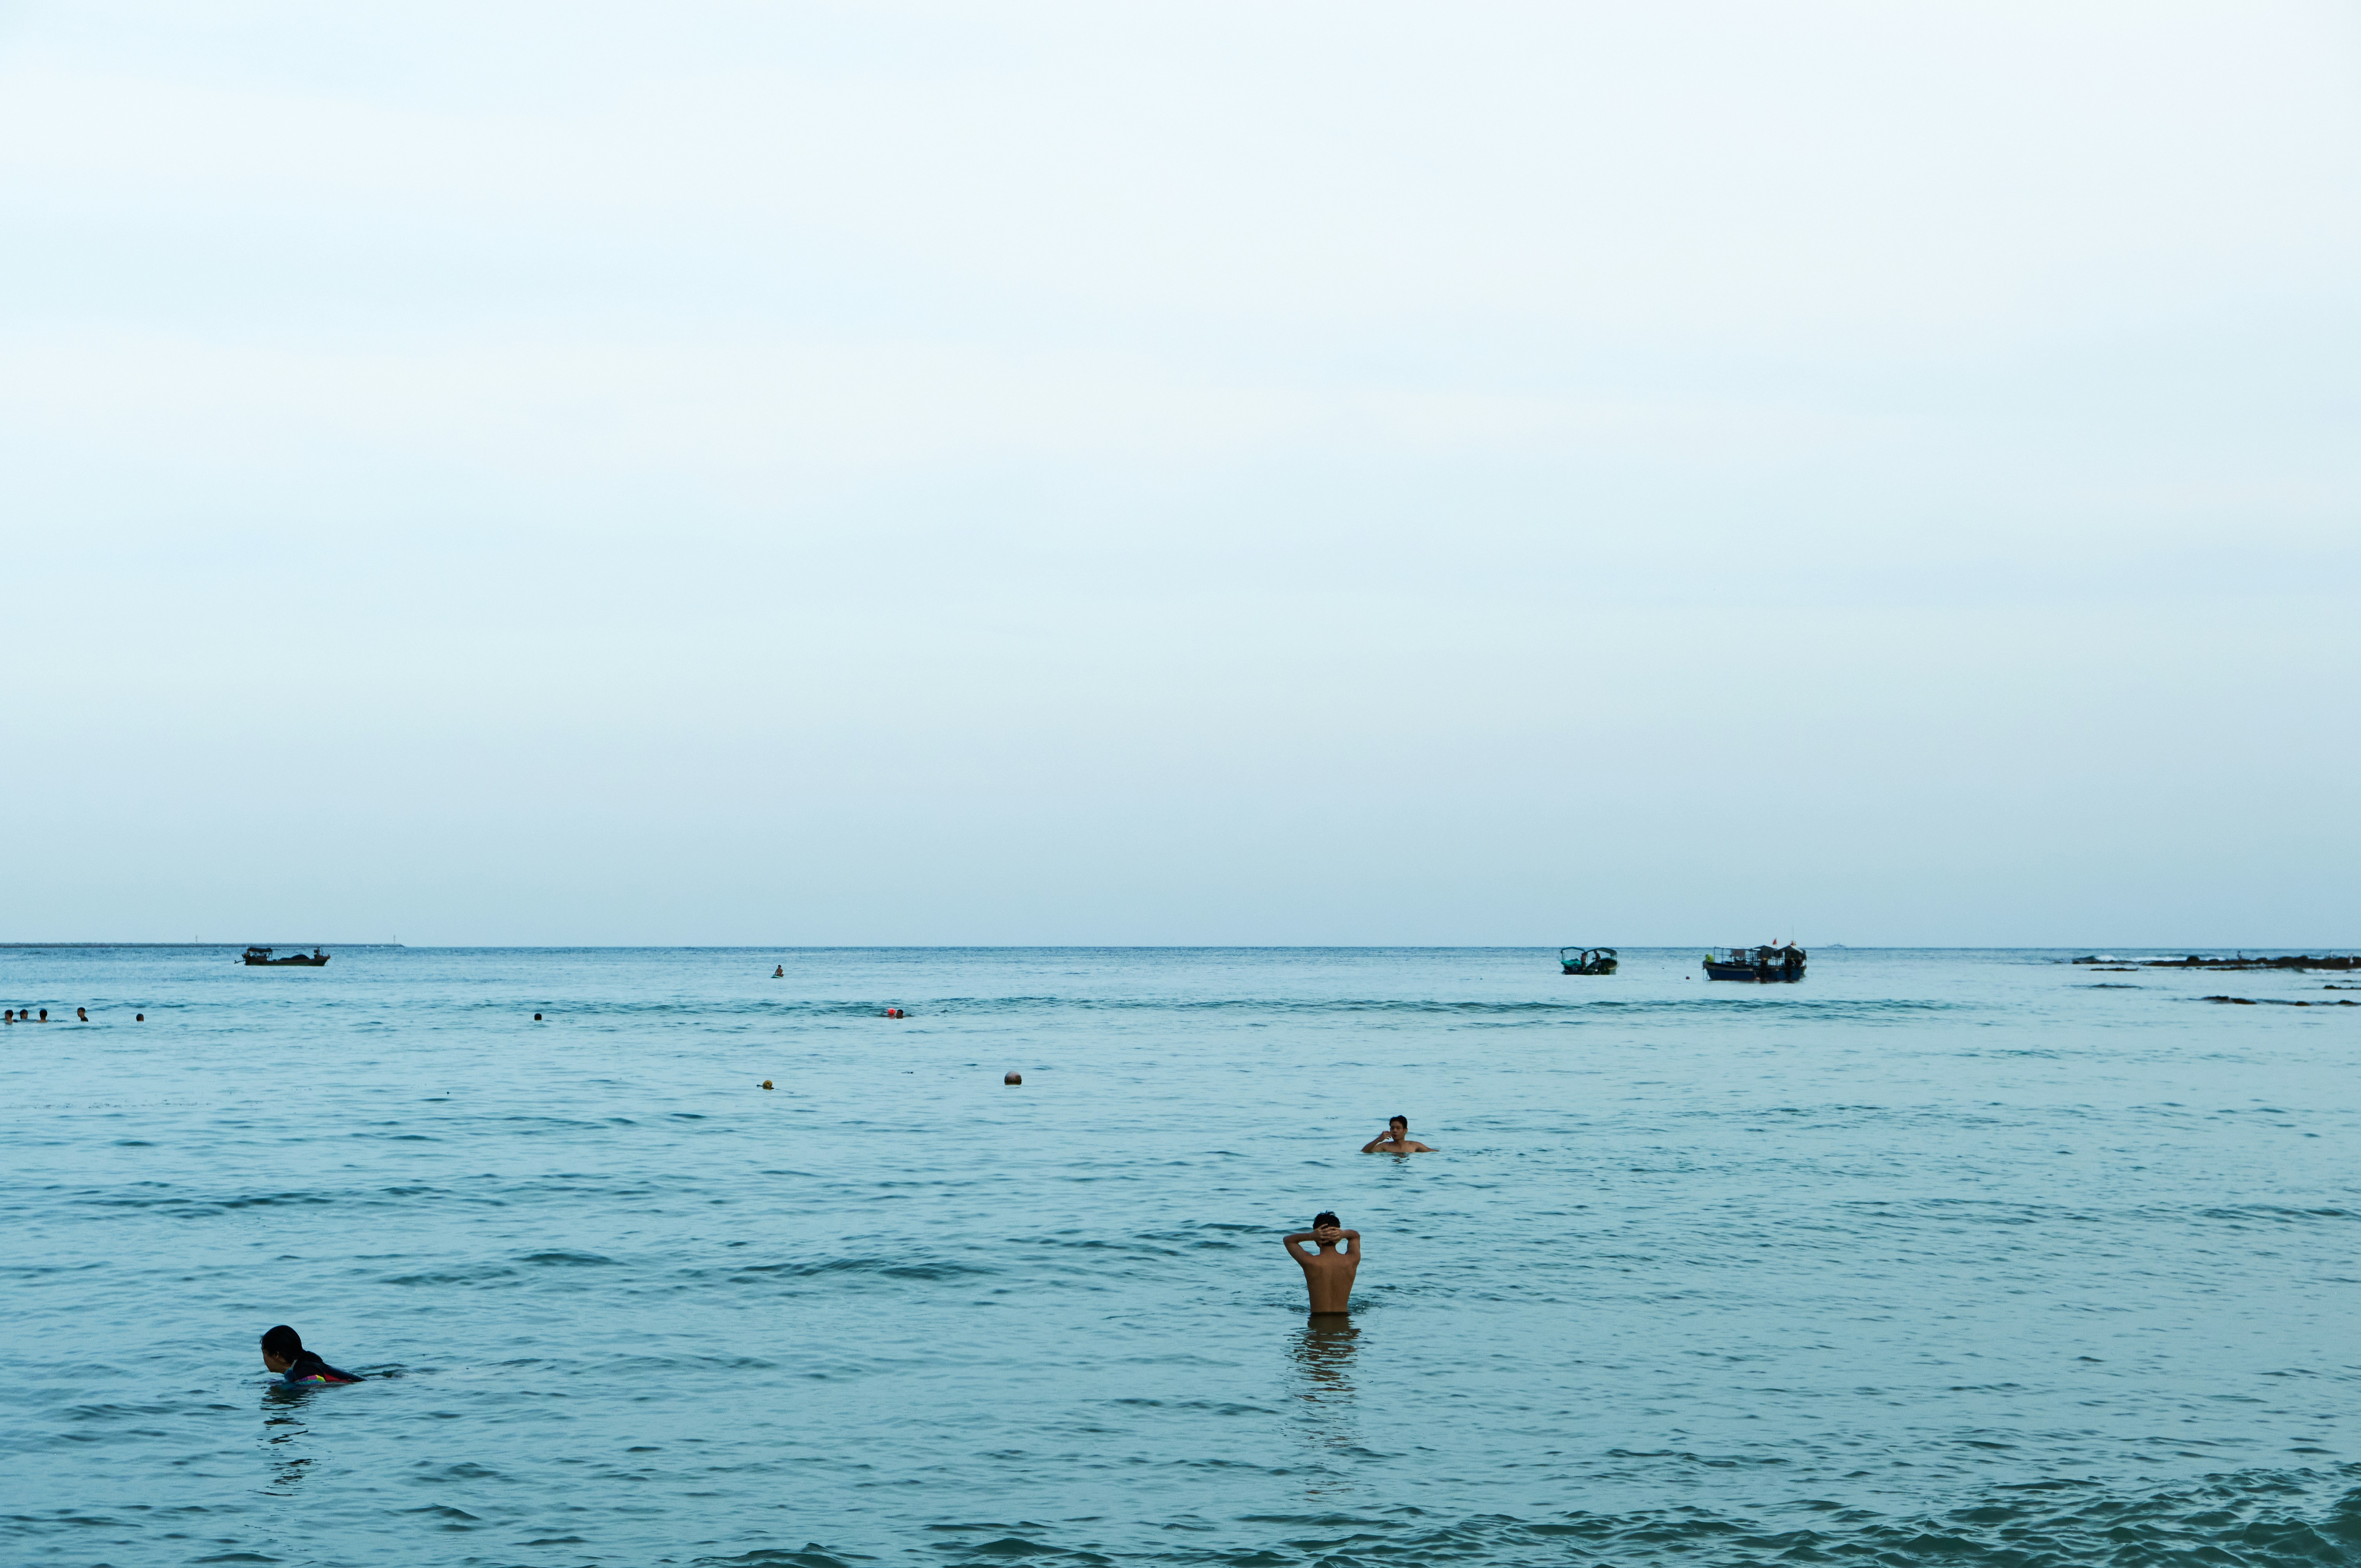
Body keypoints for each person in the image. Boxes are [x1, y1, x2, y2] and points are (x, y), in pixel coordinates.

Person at [1284, 1213, 1361, 1314]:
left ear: (1317, 1238)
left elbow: (1288, 1241)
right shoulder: (1351, 1261)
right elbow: (1355, 1237)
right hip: (1344, 1321)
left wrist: (1311, 1236)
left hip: (1317, 1321)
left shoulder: (1310, 1262)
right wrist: (1343, 1234)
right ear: (1338, 1238)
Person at [260, 1325, 363, 1385]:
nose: (264, 1358)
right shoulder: (305, 1365)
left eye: (264, 1352)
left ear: (276, 1355)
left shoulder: (304, 1371)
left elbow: (316, 1387)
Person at [1361, 1115, 1433, 1154]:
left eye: (1398, 1128)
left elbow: (1433, 1153)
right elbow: (1365, 1152)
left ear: (1406, 1131)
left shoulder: (1414, 1146)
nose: (1395, 1131)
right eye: (1392, 1128)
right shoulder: (1385, 1147)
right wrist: (1378, 1140)